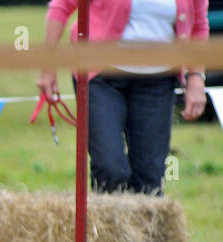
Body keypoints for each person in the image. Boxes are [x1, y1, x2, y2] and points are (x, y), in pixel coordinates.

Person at [38, 0, 208, 195]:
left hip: (157, 82)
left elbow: (198, 26)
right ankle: (108, 224)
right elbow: (61, 6)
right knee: (110, 168)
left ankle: (144, 225)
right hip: (100, 77)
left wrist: (196, 77)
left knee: (149, 180)